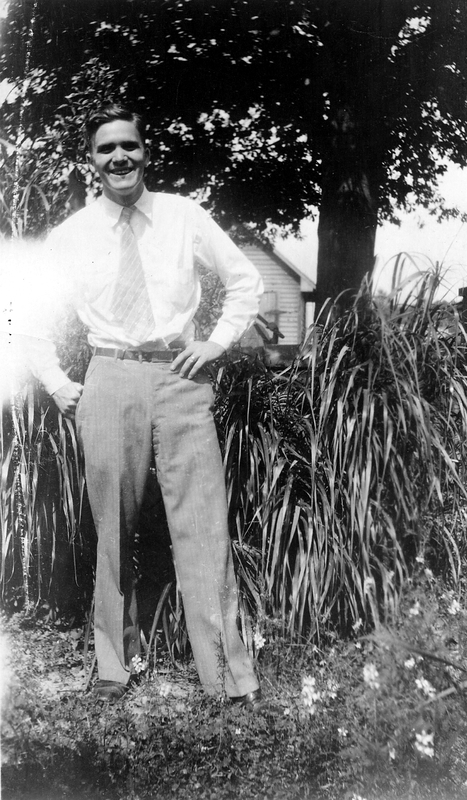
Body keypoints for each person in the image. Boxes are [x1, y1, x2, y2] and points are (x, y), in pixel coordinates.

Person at [33, 103, 265, 706]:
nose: (120, 158)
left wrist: (214, 343)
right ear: (92, 160)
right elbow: (27, 318)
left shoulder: (183, 215)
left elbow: (246, 280)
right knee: (112, 525)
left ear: (146, 150)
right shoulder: (73, 233)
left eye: (129, 146)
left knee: (205, 526)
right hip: (109, 377)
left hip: (180, 378)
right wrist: (60, 383)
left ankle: (227, 675)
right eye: (106, 149)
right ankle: (115, 664)